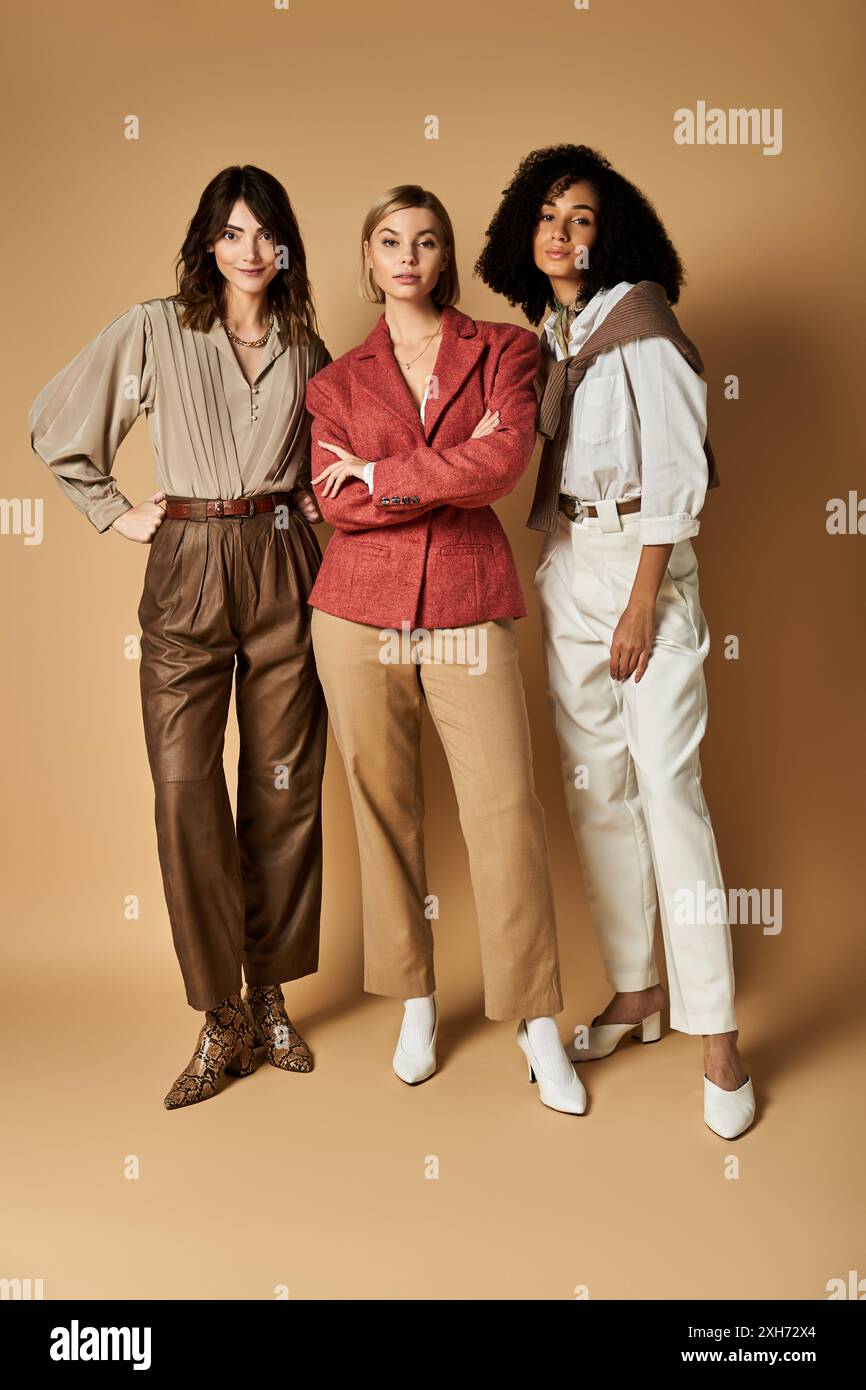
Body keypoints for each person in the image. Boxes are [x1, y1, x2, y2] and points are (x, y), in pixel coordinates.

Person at [29, 165, 330, 1109]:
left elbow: (329, 466)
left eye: (265, 234)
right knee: (184, 790)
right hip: (189, 559)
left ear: (285, 247)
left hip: (286, 561)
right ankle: (221, 1015)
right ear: (209, 242)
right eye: (233, 233)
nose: (249, 251)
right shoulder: (157, 326)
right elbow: (57, 425)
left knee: (284, 788)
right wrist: (112, 509)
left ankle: (272, 990)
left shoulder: (306, 345)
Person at [475, 144, 756, 1139]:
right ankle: (636, 988)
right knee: (597, 788)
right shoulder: (554, 334)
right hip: (572, 567)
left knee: (668, 791)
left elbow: (676, 477)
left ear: (613, 232)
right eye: (547, 215)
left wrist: (641, 602)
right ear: (524, 232)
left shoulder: (638, 324)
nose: (562, 231)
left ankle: (716, 1032)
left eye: (583, 216)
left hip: (644, 570)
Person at [305, 184, 586, 1115]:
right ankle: (415, 997)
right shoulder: (336, 382)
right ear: (368, 258)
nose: (408, 257)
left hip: (468, 599)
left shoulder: (505, 349)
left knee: (505, 807)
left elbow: (503, 464)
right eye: (390, 240)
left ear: (445, 256)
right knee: (381, 806)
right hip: (356, 612)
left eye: (426, 241)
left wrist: (384, 473)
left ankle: (538, 1020)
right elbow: (330, 504)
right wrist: (436, 473)